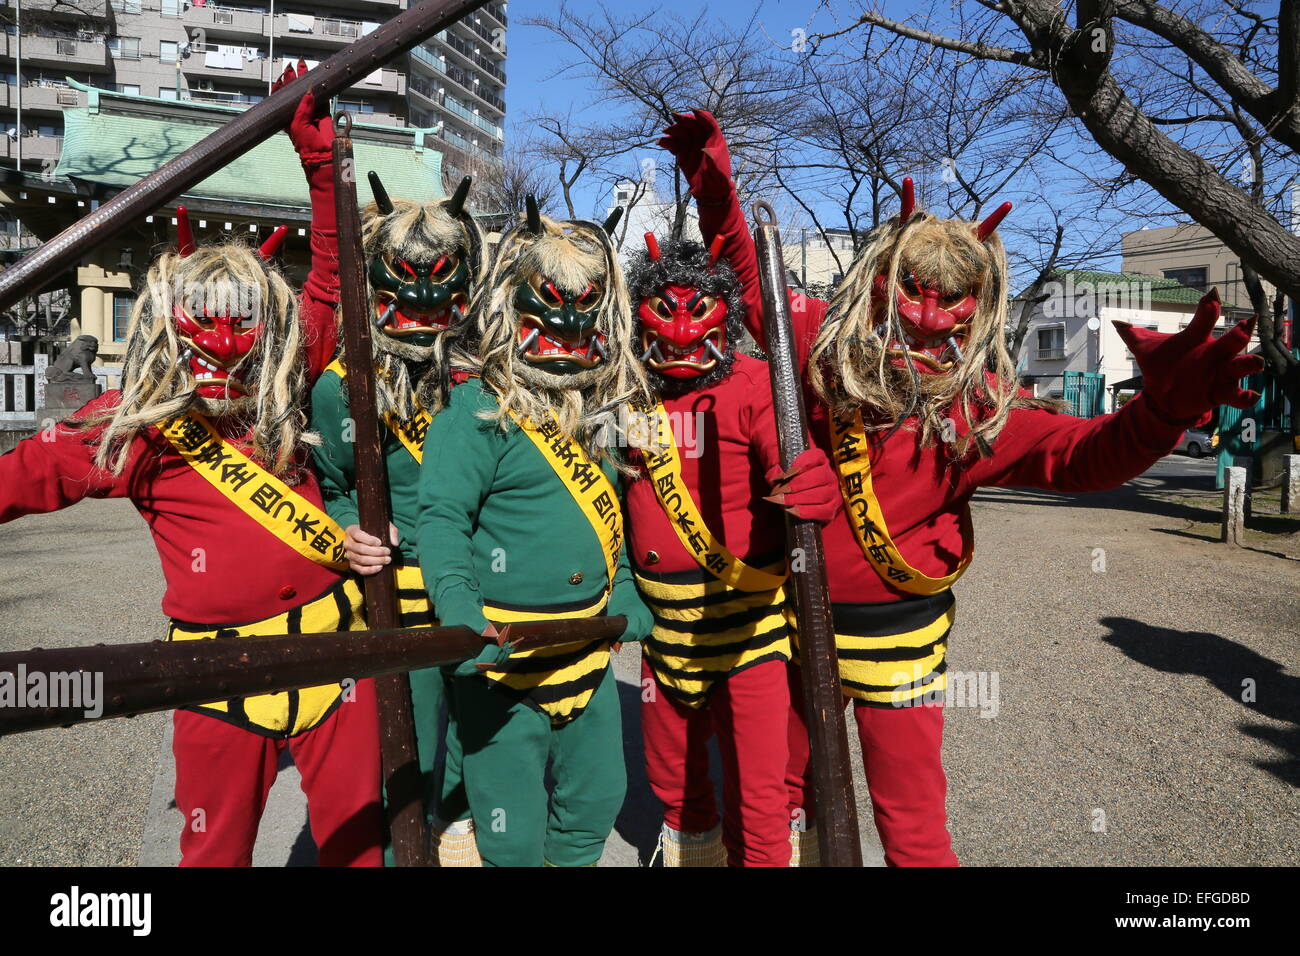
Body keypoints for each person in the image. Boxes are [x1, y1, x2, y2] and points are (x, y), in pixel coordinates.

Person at [661, 109, 1263, 866]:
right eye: (914, 292)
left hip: (902, 643)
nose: (930, 316)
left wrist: (1162, 410)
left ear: (980, 309)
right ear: (880, 285)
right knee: (780, 798)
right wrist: (716, 192)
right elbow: (750, 278)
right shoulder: (817, 348)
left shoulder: (981, 409)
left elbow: (1085, 459)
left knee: (911, 818)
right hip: (791, 625)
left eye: (954, 302)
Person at [0, 89, 386, 866]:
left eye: (242, 323)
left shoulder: (283, 374)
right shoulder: (132, 423)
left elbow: (331, 286)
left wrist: (319, 164)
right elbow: (26, 472)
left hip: (334, 649)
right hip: (216, 668)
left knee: (358, 846)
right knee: (214, 851)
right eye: (200, 326)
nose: (224, 342)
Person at [416, 200, 654, 866]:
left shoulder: (609, 406)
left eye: (585, 317)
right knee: (509, 832)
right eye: (548, 313)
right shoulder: (474, 410)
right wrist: (459, 613)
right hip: (504, 655)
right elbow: (442, 519)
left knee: (596, 803)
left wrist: (630, 588)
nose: (570, 332)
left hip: (587, 649)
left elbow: (625, 512)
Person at [622, 225, 838, 866]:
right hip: (664, 630)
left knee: (762, 781)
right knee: (674, 777)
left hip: (750, 624)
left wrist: (810, 483)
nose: (683, 330)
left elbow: (787, 458)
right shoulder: (630, 391)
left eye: (698, 309)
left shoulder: (755, 384)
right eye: (666, 311)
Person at [310, 170, 486, 866]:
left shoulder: (485, 376)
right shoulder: (340, 385)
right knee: (401, 744)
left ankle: (462, 833)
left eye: (439, 286)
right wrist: (351, 527)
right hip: (396, 593)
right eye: (401, 288)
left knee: (478, 739)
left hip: (475, 585)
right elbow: (330, 483)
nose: (420, 302)